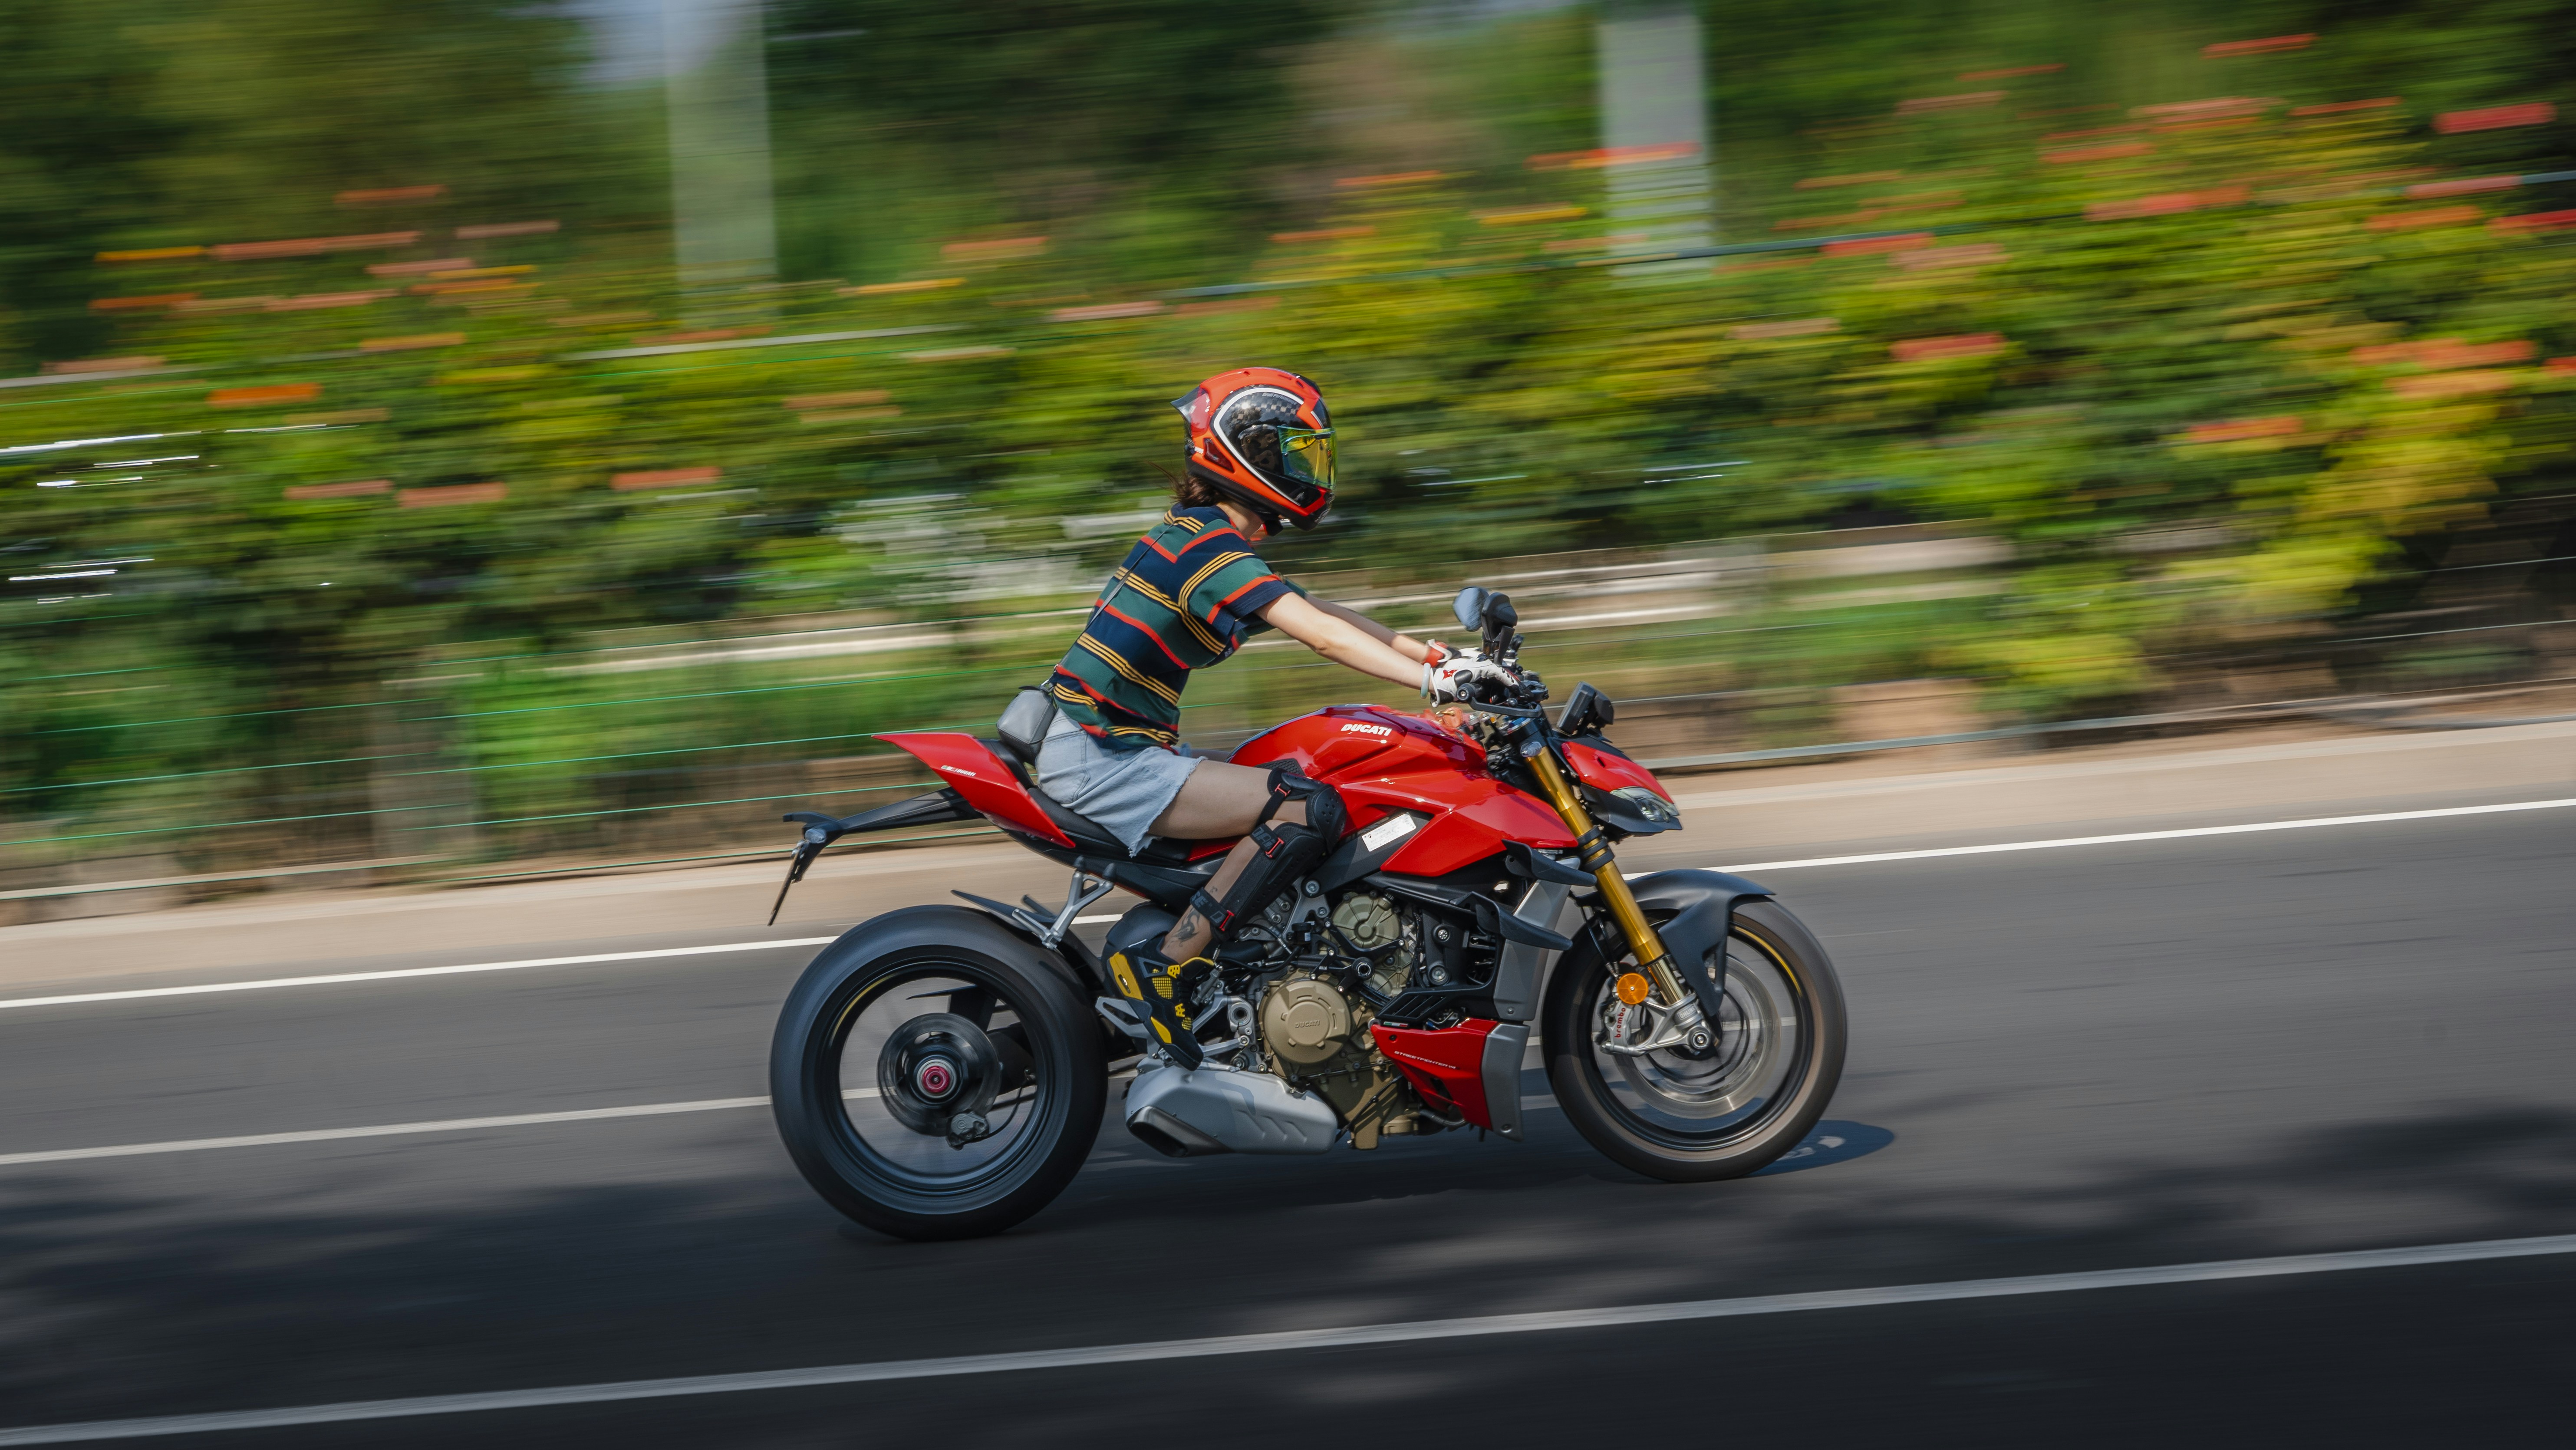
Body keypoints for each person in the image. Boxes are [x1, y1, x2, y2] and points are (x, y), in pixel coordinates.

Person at [1034, 366, 1497, 1068]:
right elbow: (1320, 637)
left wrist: (1441, 655)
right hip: (1103, 755)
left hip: (1119, 746)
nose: (1307, 469)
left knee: (1298, 774)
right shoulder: (1205, 548)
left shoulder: (1206, 540)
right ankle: (1170, 963)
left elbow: (1328, 615)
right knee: (1306, 808)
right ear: (1243, 453)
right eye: (1293, 452)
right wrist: (1436, 682)